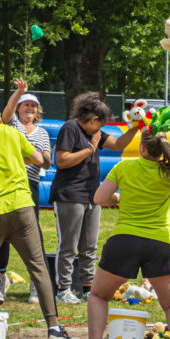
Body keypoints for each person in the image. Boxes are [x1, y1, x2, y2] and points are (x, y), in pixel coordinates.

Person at [73, 115, 170, 339]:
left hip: (124, 239)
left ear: (142, 147)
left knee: (99, 295)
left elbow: (98, 199)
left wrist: (117, 196)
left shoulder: (124, 168)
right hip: (160, 242)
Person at [0, 91, 70, 339]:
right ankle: (54, 327)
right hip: (22, 205)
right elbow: (40, 160)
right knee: (38, 266)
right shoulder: (11, 133)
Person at [52, 95, 129, 305]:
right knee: (68, 245)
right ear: (93, 119)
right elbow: (62, 160)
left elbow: (118, 144)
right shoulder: (70, 128)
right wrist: (89, 149)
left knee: (90, 246)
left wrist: (136, 128)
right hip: (70, 195)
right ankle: (63, 289)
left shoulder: (95, 132)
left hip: (92, 195)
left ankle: (88, 288)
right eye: (100, 124)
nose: (100, 130)